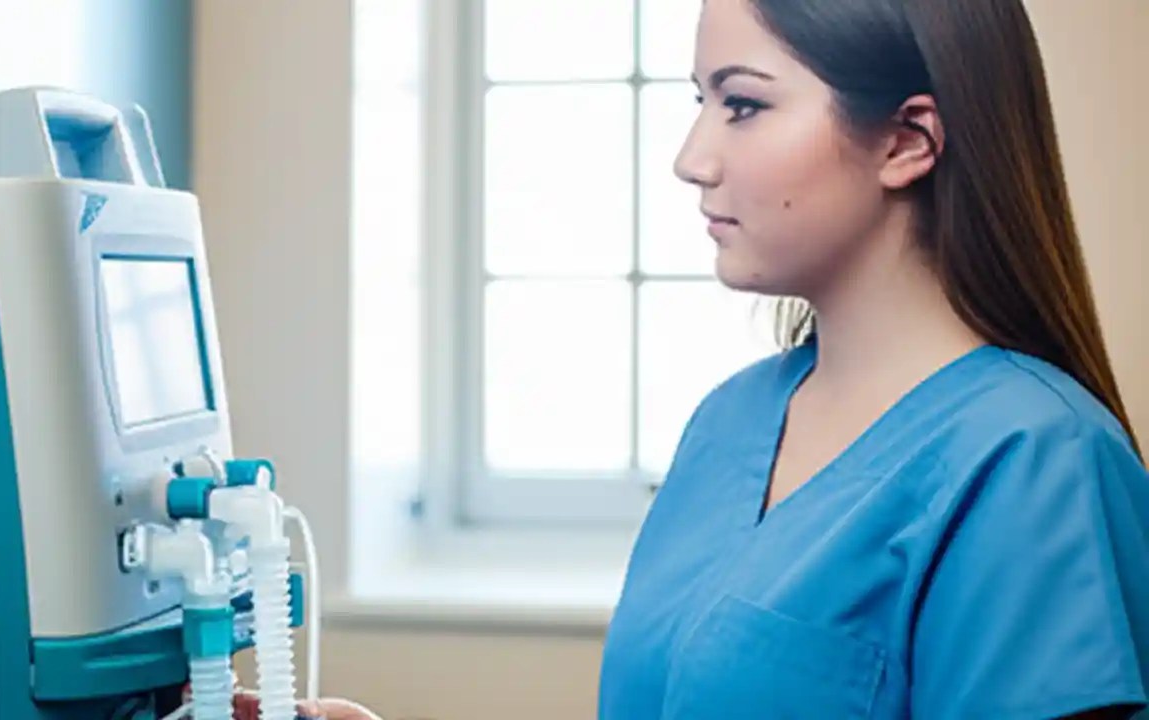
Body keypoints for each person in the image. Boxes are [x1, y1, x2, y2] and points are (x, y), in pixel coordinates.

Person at [299, 0, 1149, 717]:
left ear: (906, 141)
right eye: (699, 103)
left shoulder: (1035, 462)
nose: (691, 159)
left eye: (742, 105)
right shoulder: (731, 422)